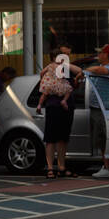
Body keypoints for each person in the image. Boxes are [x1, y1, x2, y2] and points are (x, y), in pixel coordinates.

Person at [36, 44, 82, 179]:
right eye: (64, 54)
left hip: (67, 106)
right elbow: (43, 79)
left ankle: (61, 167)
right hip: (53, 105)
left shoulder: (66, 68)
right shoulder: (51, 68)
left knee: (63, 138)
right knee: (51, 138)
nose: (66, 56)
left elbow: (80, 71)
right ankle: (50, 168)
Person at [85, 44, 109, 178]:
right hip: (96, 109)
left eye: (100, 53)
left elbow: (97, 70)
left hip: (105, 109)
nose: (98, 55)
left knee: (108, 139)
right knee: (101, 140)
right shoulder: (100, 68)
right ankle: (106, 166)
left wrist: (86, 70)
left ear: (106, 55)